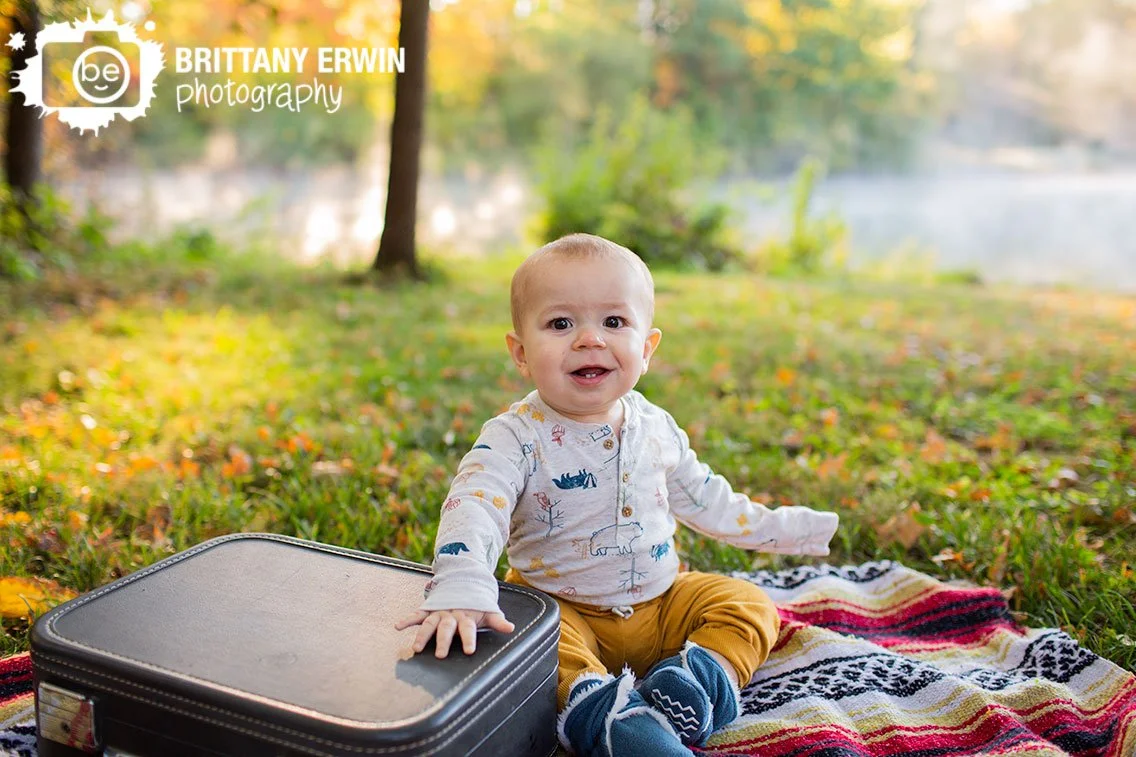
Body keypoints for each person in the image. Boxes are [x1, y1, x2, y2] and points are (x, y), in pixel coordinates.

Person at [395, 233, 839, 757]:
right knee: (530, 650)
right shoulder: (515, 437)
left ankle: (695, 685)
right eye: (561, 324)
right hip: (561, 607)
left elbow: (708, 501)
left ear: (646, 349)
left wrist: (793, 529)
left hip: (662, 600)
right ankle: (610, 721)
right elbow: (474, 508)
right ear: (520, 352)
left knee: (749, 604)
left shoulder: (657, 426)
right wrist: (464, 586)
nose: (589, 340)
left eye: (613, 322)